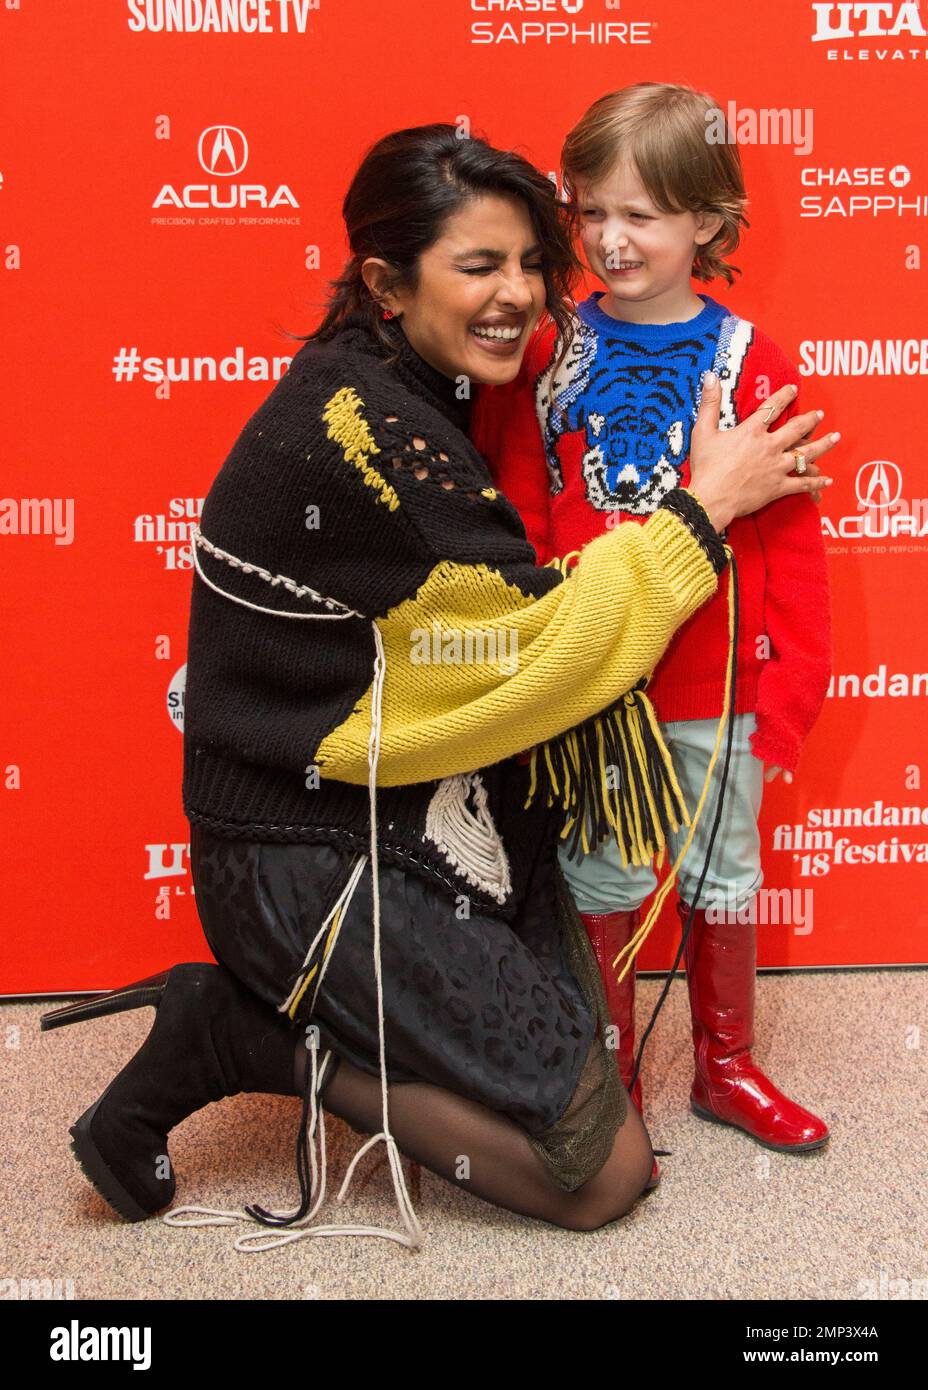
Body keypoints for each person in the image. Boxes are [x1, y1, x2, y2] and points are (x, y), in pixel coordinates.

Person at [40, 123, 835, 1253]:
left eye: (528, 262)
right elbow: (539, 647)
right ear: (384, 279)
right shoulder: (366, 437)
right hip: (304, 851)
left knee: (575, 1083)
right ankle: (244, 1040)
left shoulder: (427, 388)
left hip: (425, 808)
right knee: (601, 1175)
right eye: (478, 267)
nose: (518, 294)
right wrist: (702, 511)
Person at [470, 84, 835, 1160]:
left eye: (643, 214)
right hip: (599, 686)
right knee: (606, 880)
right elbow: (522, 515)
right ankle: (609, 1074)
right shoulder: (547, 352)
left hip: (715, 691)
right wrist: (538, 656)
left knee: (722, 877)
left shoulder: (748, 358)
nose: (611, 239)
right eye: (591, 214)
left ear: (707, 223)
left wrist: (790, 687)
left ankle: (725, 1068)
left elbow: (792, 546)